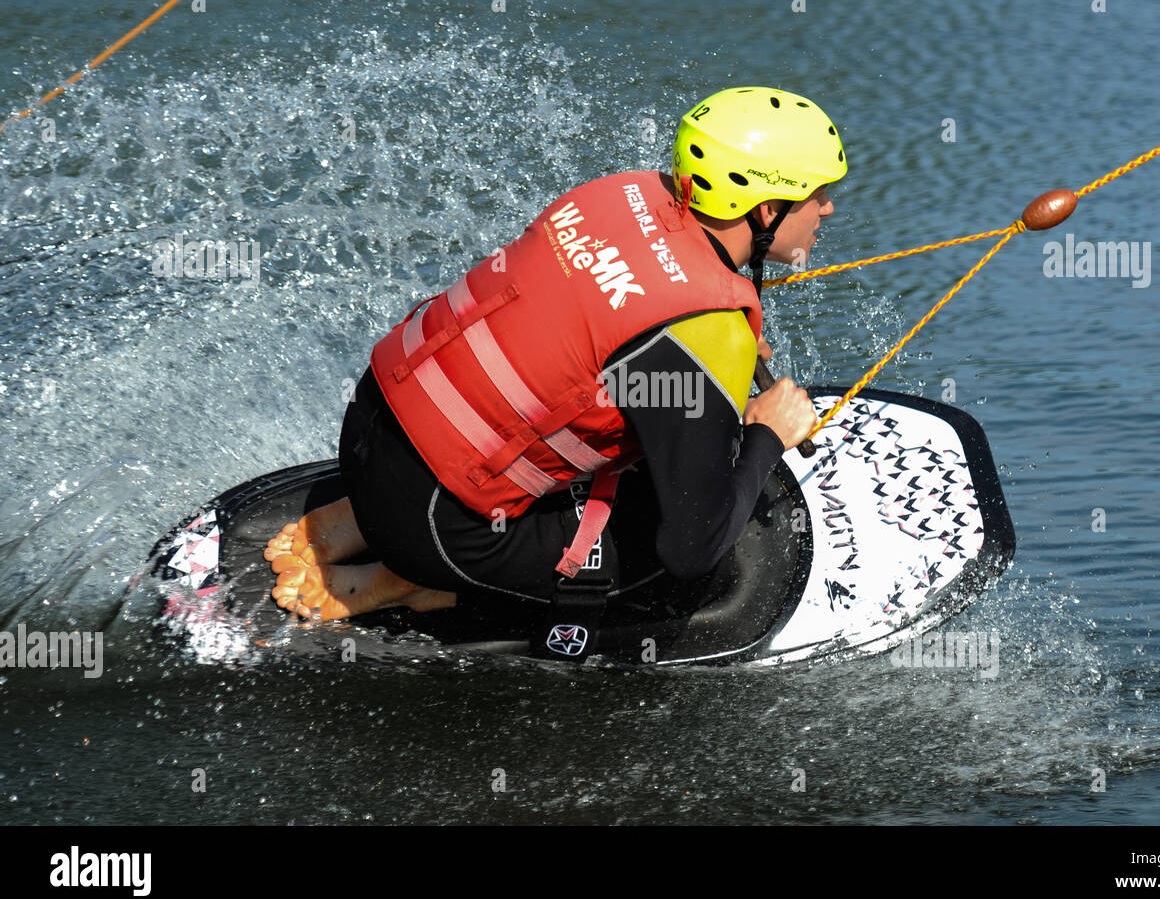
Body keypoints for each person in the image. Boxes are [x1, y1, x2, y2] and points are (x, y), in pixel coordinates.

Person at [263, 86, 847, 652]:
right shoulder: (700, 330)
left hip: (370, 424)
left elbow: (606, 319)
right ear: (768, 208)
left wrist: (708, 357)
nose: (827, 209)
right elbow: (692, 546)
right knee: (678, 552)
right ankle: (414, 583)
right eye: (818, 194)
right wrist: (768, 433)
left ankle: (364, 518)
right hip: (436, 528)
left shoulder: (620, 193)